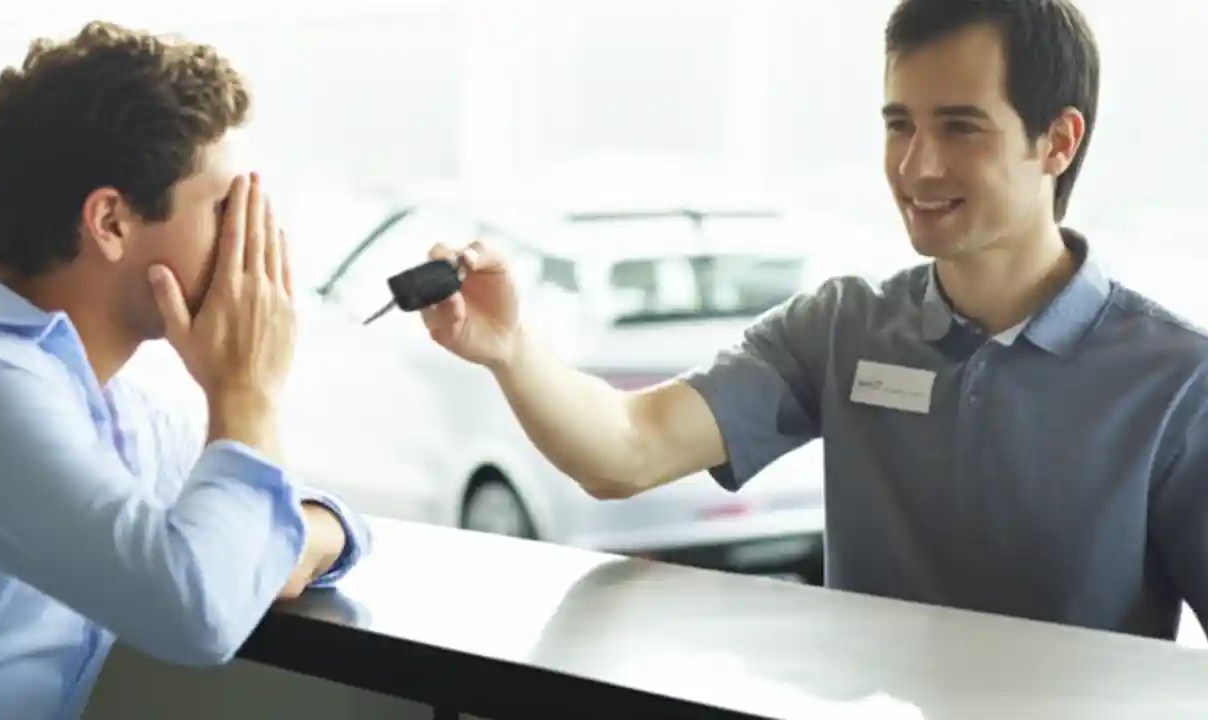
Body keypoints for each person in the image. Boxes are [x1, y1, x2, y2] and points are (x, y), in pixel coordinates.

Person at [422, 0, 1208, 641]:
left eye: (960, 127)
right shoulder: (842, 329)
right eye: (900, 124)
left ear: (1058, 141)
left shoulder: (1177, 380)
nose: (916, 165)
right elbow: (625, 451)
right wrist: (510, 350)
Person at [0, 21, 370, 718]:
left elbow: (277, 526)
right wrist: (246, 391)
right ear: (109, 222)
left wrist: (290, 536)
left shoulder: (113, 410)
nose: (248, 241)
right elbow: (200, 611)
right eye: (228, 208)